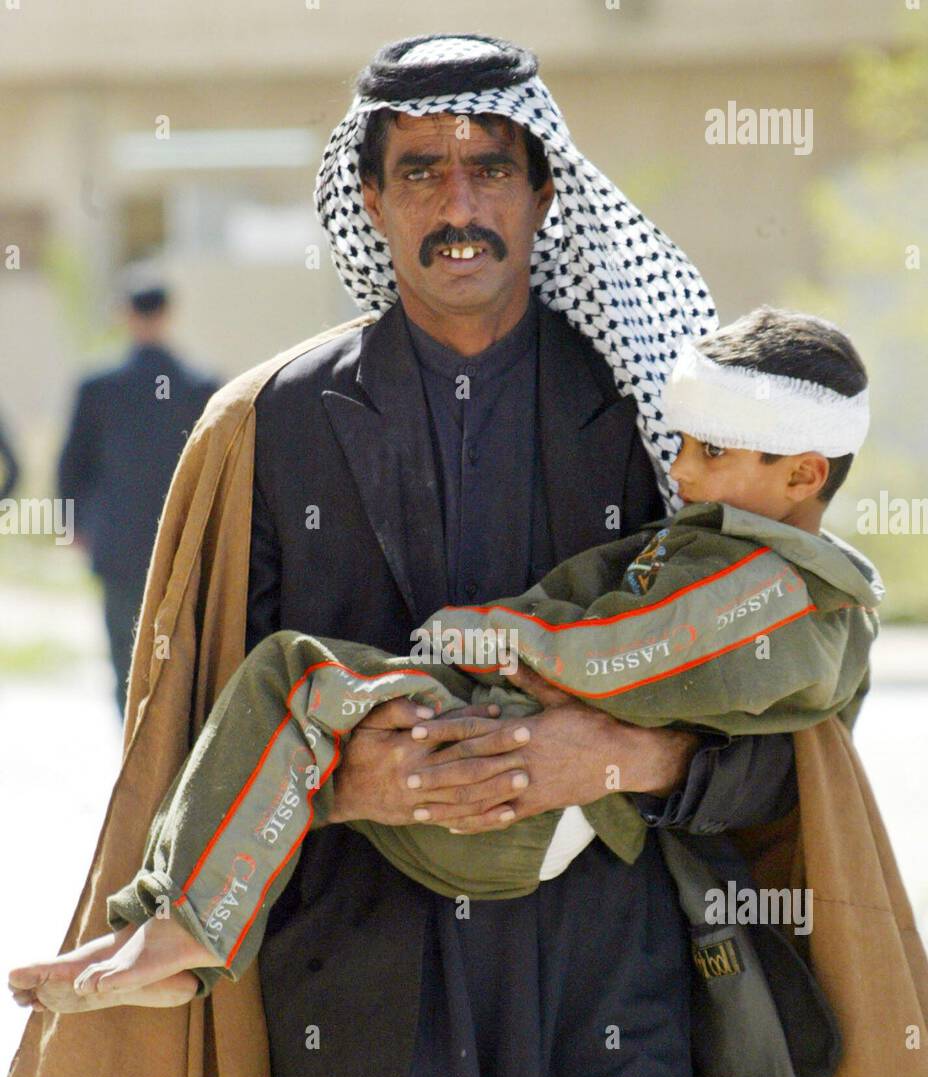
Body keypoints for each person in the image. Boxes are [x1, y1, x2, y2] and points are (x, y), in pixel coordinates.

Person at [6, 34, 927, 1077]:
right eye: (421, 170)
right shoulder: (261, 429)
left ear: (544, 194)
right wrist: (351, 786)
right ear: (370, 197)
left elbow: (803, 705)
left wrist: (616, 751)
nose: (458, 202)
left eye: (490, 168)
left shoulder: (672, 422)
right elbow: (201, 735)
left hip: (610, 987)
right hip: (367, 993)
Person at [61, 307, 877, 1022]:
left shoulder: (775, 589)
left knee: (296, 685)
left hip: (516, 797)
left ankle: (183, 931)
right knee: (302, 722)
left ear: (804, 473)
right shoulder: (763, 566)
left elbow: (628, 653)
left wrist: (486, 635)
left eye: (712, 449)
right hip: (518, 793)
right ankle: (174, 931)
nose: (682, 468)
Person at [56, 271, 221, 717]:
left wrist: (70, 525)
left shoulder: (98, 387)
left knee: (124, 655)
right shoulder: (202, 385)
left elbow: (73, 463)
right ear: (168, 313)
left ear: (125, 314)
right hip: (183, 542)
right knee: (179, 653)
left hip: (118, 544)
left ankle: (132, 748)